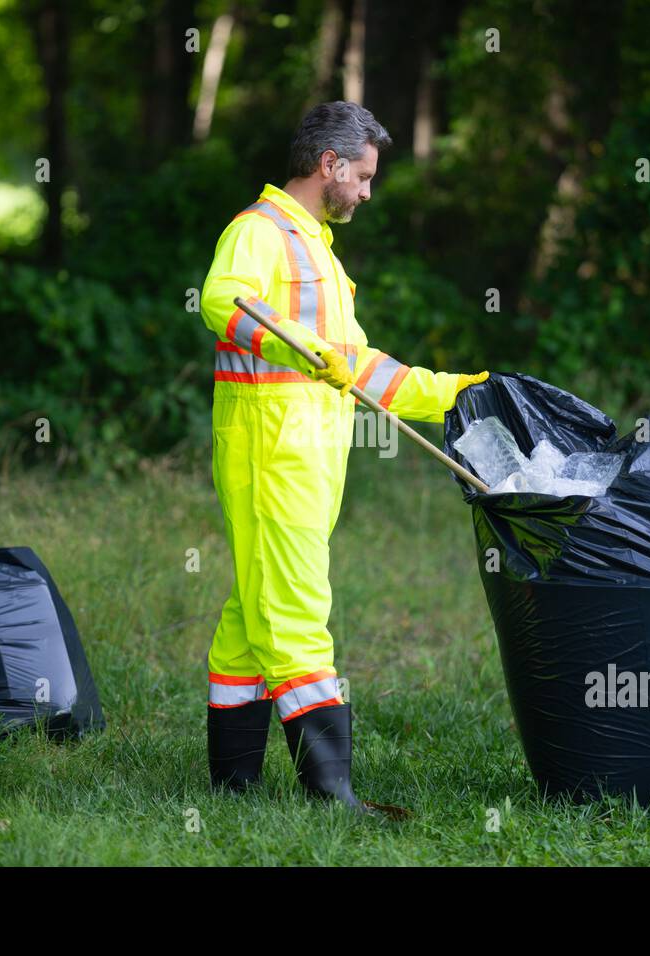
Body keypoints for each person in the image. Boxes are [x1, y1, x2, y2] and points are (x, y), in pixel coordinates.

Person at [199, 101, 489, 813]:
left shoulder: (318, 248)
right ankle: (333, 796)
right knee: (297, 611)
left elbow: (354, 365)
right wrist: (298, 348)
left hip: (307, 462)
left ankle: (233, 787)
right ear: (328, 164)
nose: (366, 191)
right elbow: (221, 301)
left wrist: (454, 394)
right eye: (361, 176)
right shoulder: (258, 231)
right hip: (272, 458)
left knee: (252, 617)